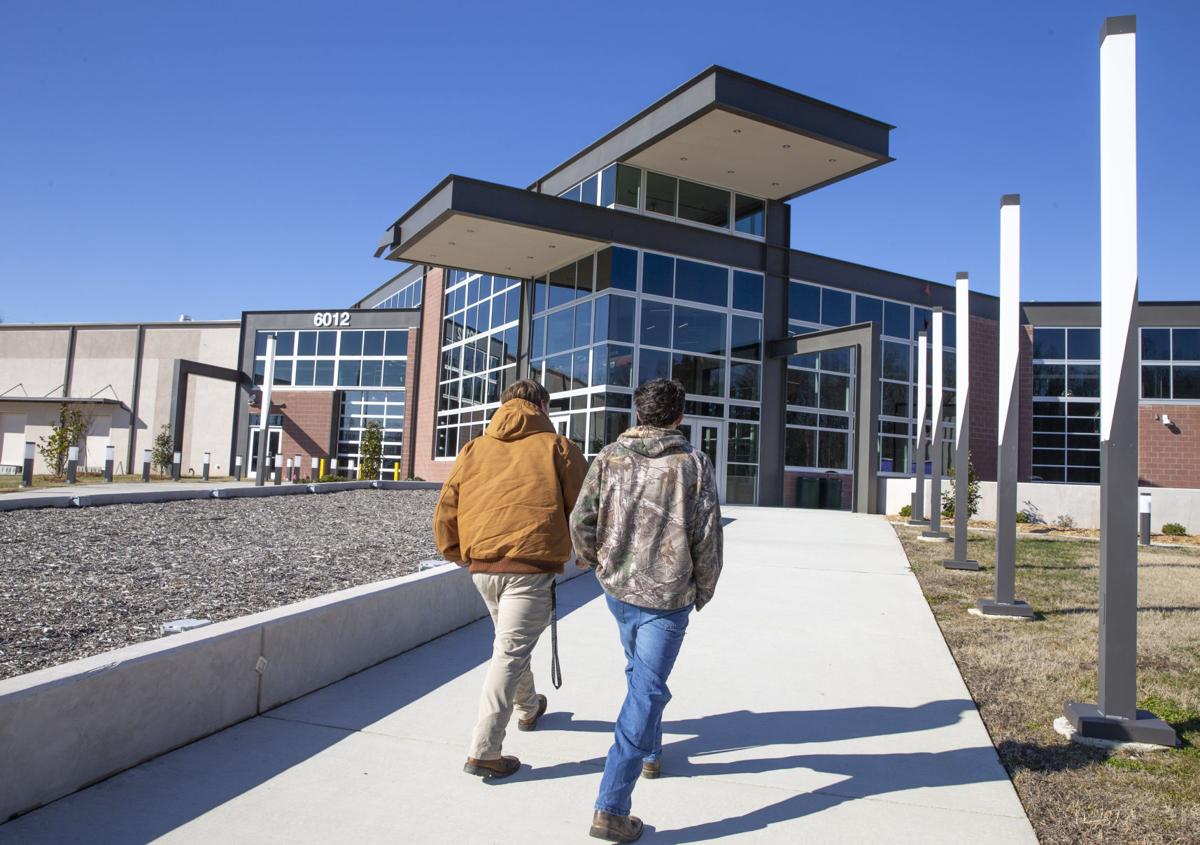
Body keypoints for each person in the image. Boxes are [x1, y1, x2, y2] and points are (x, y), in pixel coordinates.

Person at [570, 378, 724, 843]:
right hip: (667, 597)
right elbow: (707, 533)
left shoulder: (608, 457)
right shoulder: (692, 462)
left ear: (639, 413)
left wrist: (595, 561)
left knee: (640, 677)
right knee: (646, 691)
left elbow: (582, 520)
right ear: (679, 415)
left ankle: (651, 752)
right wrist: (704, 588)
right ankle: (611, 808)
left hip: (619, 589)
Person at [433, 378, 587, 780]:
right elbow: (587, 505)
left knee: (510, 643)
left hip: (482, 567)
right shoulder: (557, 447)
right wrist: (588, 552)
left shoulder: (474, 448)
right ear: (542, 406)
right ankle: (484, 751)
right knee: (509, 652)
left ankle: (528, 707)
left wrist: (454, 551)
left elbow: (447, 505)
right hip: (529, 567)